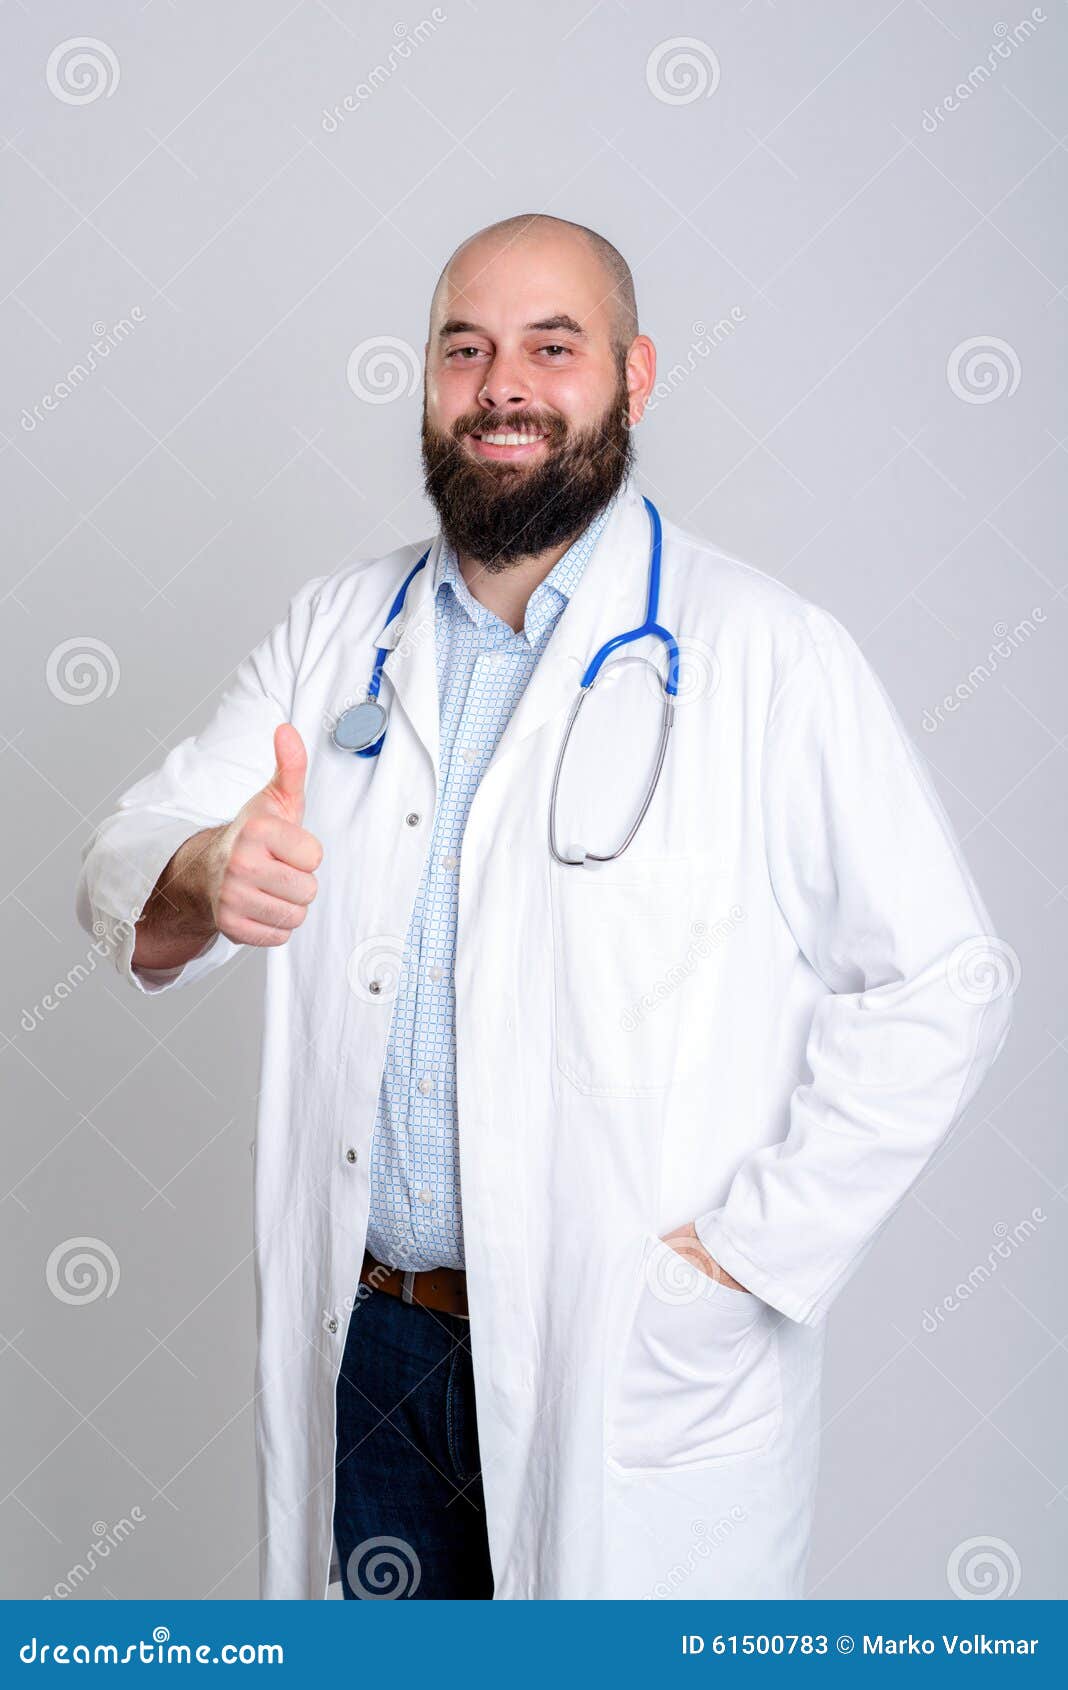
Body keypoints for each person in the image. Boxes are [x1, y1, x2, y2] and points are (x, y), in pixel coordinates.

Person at [76, 212, 1013, 1601]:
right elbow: (125, 865)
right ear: (432, 385)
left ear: (634, 379)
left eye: (550, 348)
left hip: (623, 1355)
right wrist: (212, 869)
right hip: (376, 1348)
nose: (502, 386)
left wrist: (740, 1263)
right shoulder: (339, 632)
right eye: (467, 350)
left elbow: (946, 981)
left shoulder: (767, 653)